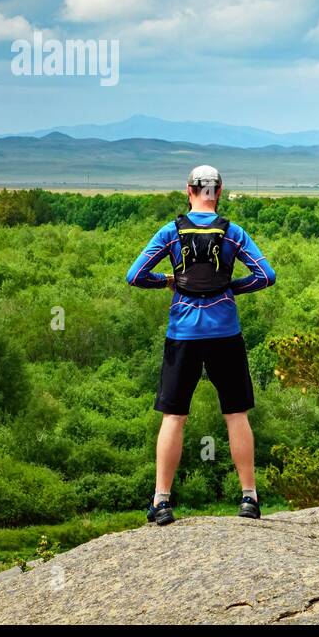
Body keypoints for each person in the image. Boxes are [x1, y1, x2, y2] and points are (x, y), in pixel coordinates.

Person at [126, 165, 276, 525]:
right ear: (219, 191)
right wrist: (229, 289)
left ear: (188, 190)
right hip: (225, 332)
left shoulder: (170, 233)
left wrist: (169, 281)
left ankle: (161, 501)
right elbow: (265, 275)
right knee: (236, 414)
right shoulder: (233, 233)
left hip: (183, 335)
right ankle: (249, 499)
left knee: (173, 416)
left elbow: (135, 276)